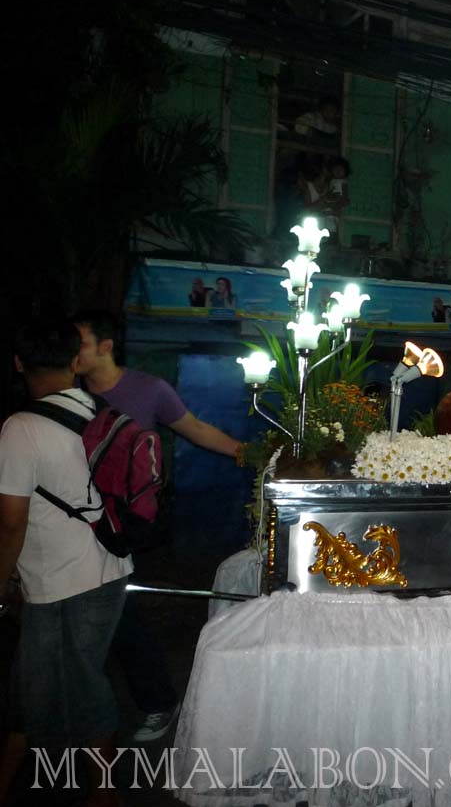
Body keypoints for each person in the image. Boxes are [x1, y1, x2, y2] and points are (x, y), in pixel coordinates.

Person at [72, 309, 244, 743]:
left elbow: (195, 429)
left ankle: (156, 702)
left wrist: (249, 453)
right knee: (99, 614)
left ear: (106, 346)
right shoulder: (67, 392)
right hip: (72, 519)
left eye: (80, 343)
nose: (72, 352)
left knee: (121, 611)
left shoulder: (148, 389)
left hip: (122, 524)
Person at [0, 320, 132, 807]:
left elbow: (11, 520)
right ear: (75, 362)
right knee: (68, 673)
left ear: (18, 363)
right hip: (110, 567)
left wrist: (0, 583)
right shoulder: (102, 412)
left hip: (56, 579)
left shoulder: (20, 427)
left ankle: (101, 789)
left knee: (69, 678)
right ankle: (92, 785)